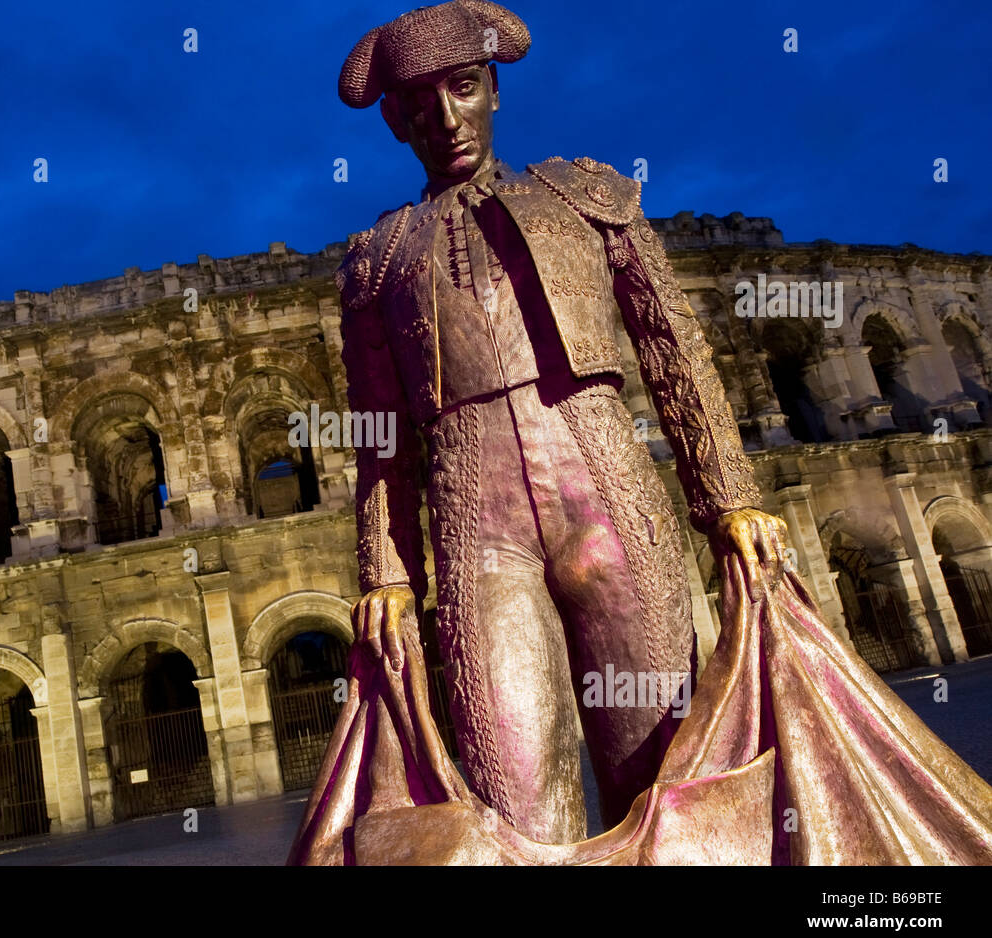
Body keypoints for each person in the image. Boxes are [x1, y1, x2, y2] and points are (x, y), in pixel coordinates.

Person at [330, 0, 787, 841]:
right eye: (419, 103)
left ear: (494, 88)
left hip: (606, 497)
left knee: (661, 786)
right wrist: (387, 573)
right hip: (481, 537)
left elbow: (672, 347)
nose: (446, 118)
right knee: (517, 807)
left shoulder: (589, 196)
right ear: (393, 121)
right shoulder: (379, 259)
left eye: (463, 88)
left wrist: (729, 497)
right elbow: (379, 436)